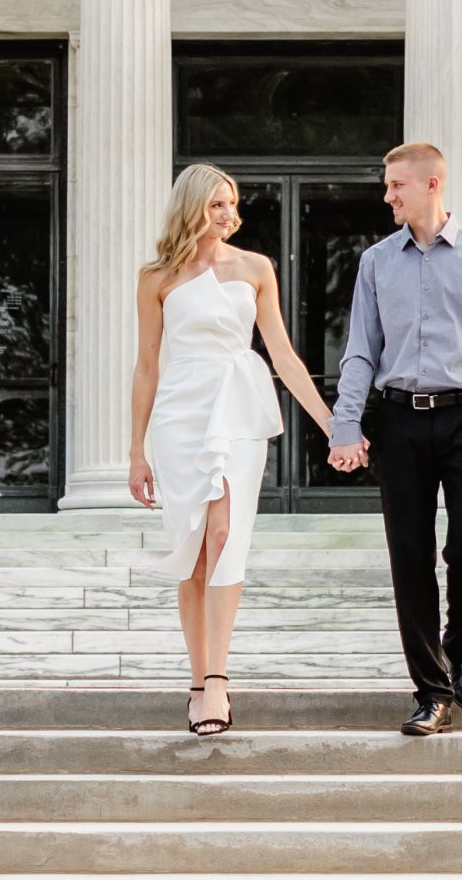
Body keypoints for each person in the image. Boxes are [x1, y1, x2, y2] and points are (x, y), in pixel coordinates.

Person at [326, 142, 462, 736]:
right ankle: (432, 690)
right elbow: (361, 350)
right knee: (409, 556)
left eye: (396, 186)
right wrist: (347, 425)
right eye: (387, 185)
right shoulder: (376, 262)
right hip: (399, 420)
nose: (387, 195)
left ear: (432, 185)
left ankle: (459, 647)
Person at [129, 164, 332, 737]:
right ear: (191, 206)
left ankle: (217, 679)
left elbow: (284, 355)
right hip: (179, 414)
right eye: (216, 204)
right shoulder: (157, 277)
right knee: (193, 549)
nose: (227, 215)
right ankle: (197, 682)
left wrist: (331, 423)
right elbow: (146, 366)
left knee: (224, 535)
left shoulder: (255, 268)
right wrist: (135, 452)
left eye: (231, 204)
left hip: (239, 407)